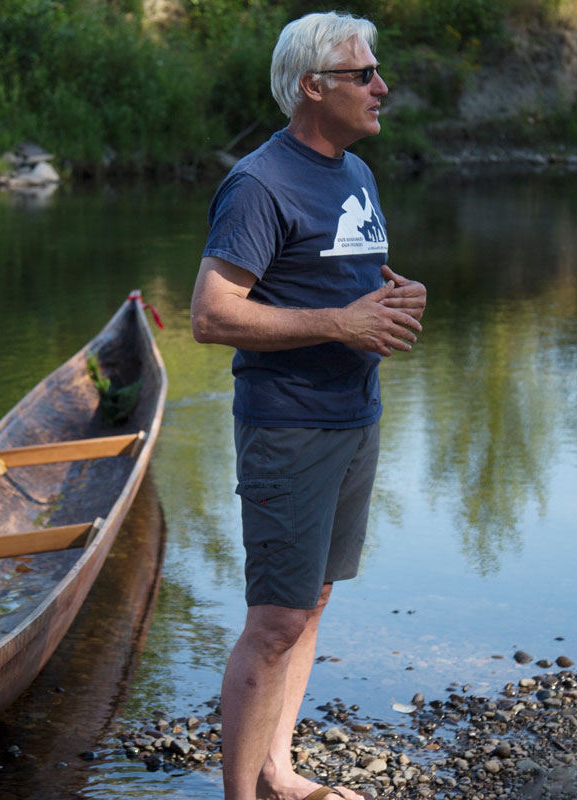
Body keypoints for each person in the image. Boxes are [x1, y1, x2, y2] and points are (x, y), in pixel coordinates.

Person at [189, 11, 426, 800]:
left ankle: (277, 770)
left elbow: (349, 281)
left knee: (313, 600)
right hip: (288, 424)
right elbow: (211, 315)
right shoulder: (258, 183)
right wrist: (338, 322)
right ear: (312, 87)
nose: (381, 87)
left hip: (355, 413)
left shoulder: (355, 173)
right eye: (365, 75)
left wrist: (395, 296)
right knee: (276, 619)